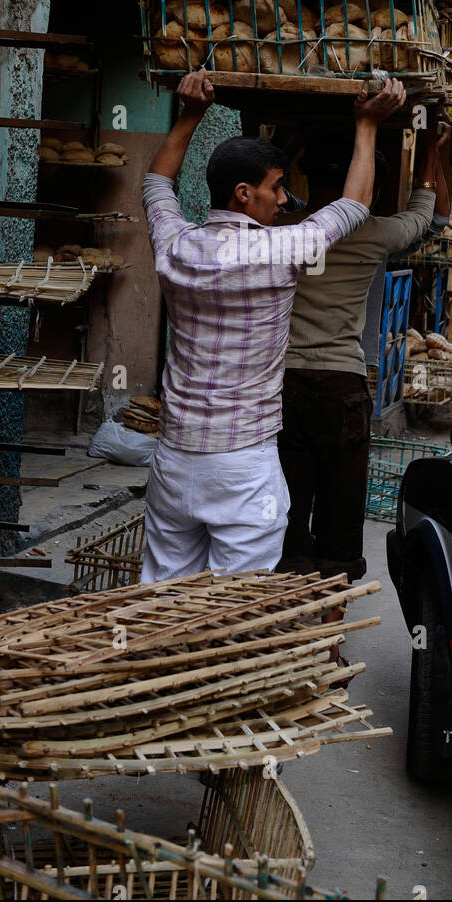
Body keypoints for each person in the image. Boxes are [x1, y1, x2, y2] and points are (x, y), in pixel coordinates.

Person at [139, 66, 407, 581]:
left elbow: (156, 183)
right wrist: (367, 126)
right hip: (243, 466)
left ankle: (165, 662)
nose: (285, 200)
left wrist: (191, 115)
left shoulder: (175, 244)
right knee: (240, 609)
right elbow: (353, 207)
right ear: (244, 193)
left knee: (166, 597)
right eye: (277, 188)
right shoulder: (282, 250)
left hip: (174, 459)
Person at [276, 109, 452, 583]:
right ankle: (330, 639)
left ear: (304, 174)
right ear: (367, 183)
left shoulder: (283, 230)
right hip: (341, 388)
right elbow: (429, 216)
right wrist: (431, 148)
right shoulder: (373, 234)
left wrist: (285, 145)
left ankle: (286, 622)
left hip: (283, 387)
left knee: (287, 505)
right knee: (341, 507)